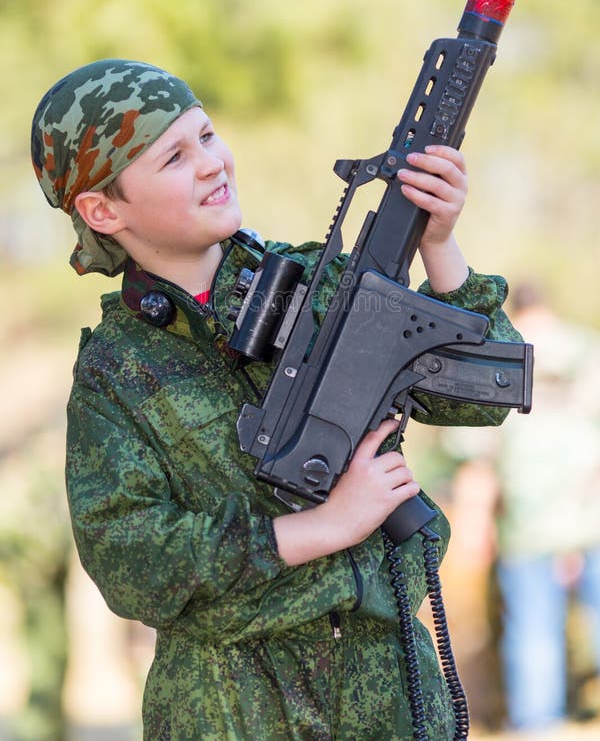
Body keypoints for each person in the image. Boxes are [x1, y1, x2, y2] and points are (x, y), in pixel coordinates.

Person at [30, 58, 522, 740]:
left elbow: (482, 398)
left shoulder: (323, 284)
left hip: (391, 695)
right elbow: (130, 559)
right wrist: (318, 528)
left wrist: (440, 244)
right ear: (103, 208)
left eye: (206, 136)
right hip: (229, 711)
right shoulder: (118, 369)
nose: (210, 163)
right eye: (173, 156)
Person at [491, 283, 600, 731]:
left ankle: (538, 724)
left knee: (533, 628)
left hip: (527, 521)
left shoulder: (502, 353)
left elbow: (479, 452)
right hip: (589, 511)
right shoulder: (586, 348)